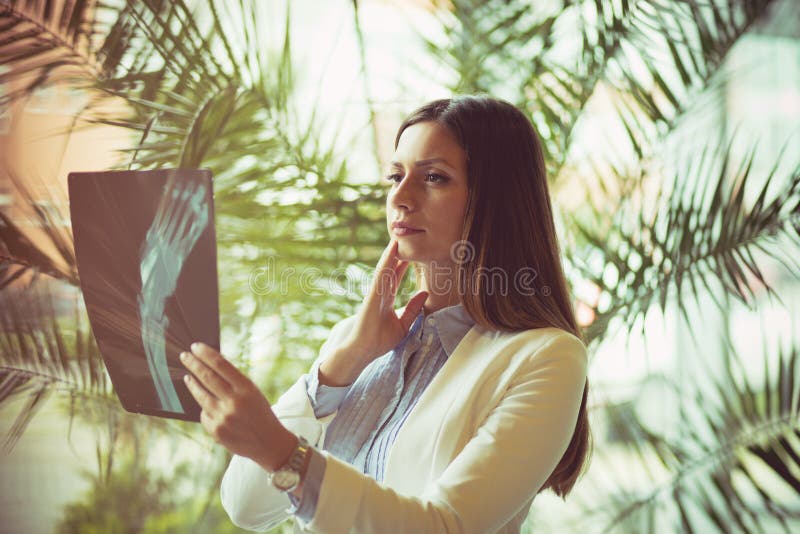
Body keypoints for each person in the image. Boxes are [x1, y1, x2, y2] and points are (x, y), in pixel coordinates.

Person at [180, 95, 591, 533]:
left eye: (434, 177)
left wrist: (284, 453)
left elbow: (444, 526)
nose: (400, 195)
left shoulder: (547, 357)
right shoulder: (352, 342)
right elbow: (247, 508)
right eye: (395, 176)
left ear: (497, 199)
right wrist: (341, 365)